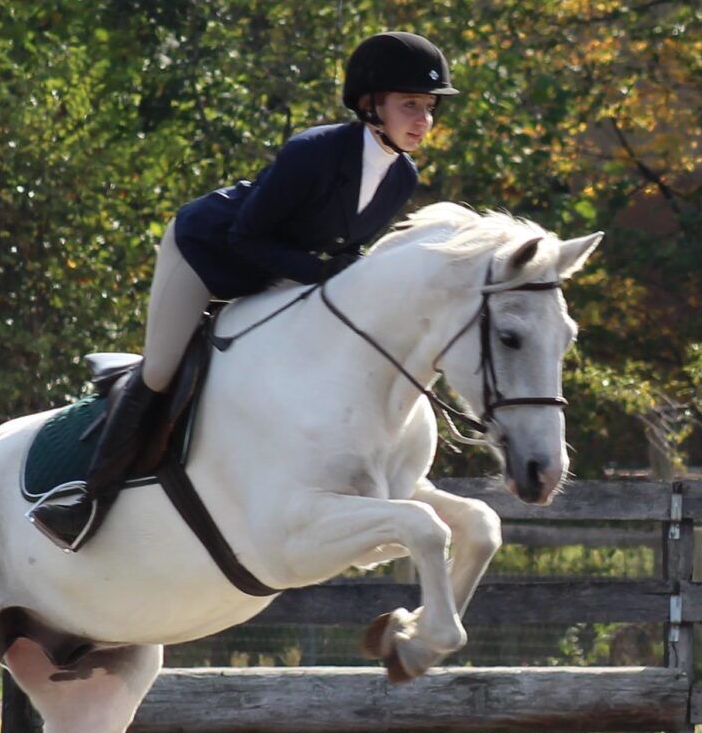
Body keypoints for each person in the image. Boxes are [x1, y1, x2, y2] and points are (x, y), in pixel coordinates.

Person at [29, 30, 460, 549]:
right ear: (370, 105)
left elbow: (344, 252)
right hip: (207, 254)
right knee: (164, 368)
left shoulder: (402, 179)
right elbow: (246, 235)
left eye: (430, 107)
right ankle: (88, 498)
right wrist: (323, 275)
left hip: (278, 272)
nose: (423, 120)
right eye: (409, 105)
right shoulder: (313, 152)